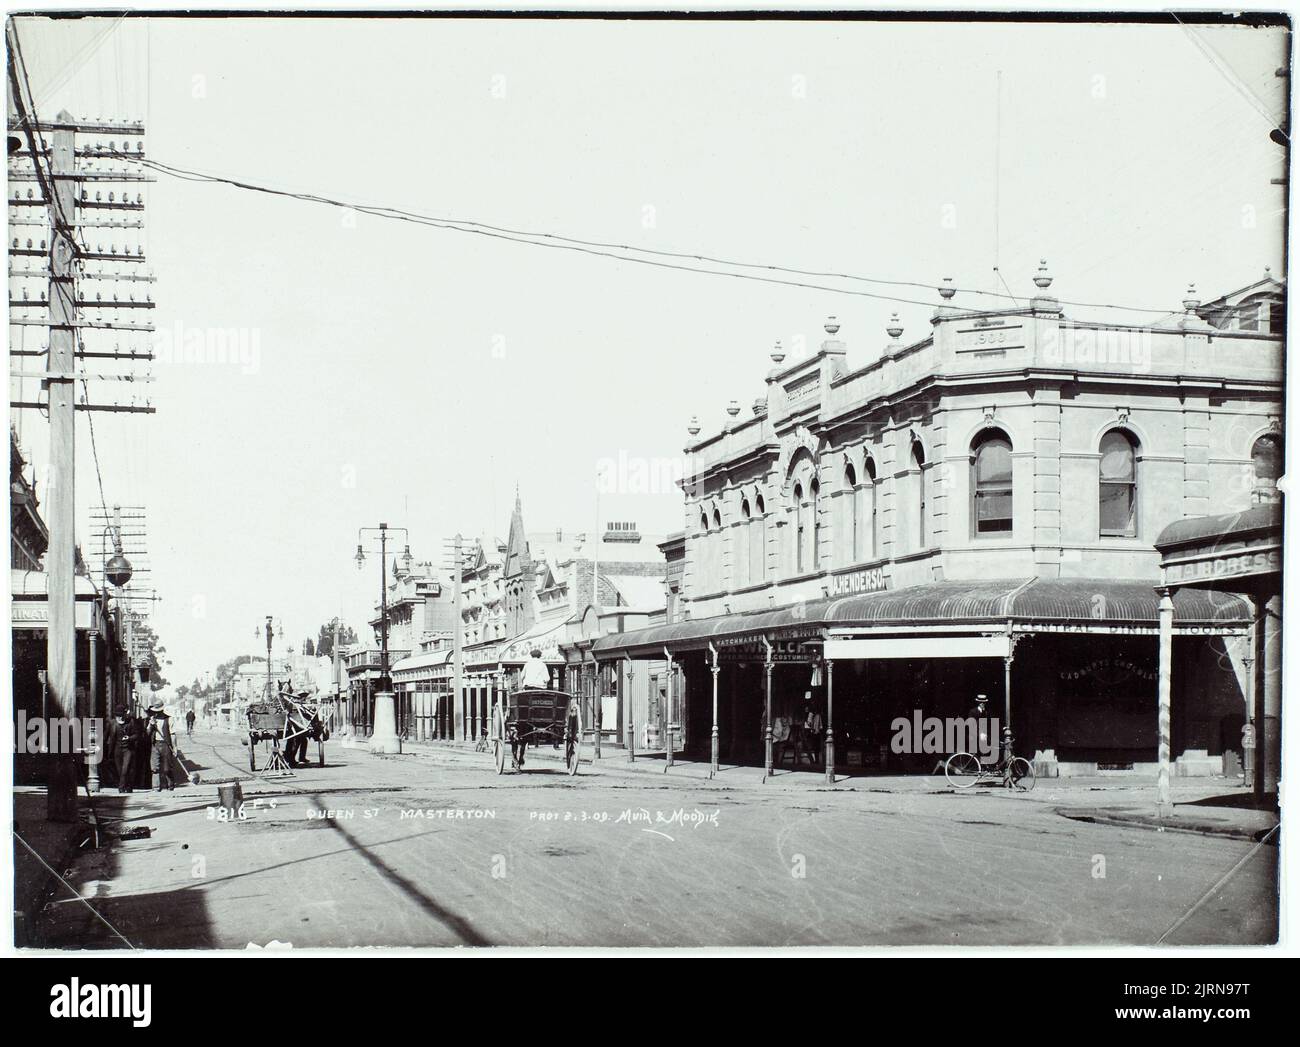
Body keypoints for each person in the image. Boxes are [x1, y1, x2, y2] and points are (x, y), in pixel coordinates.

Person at [146, 700, 175, 791]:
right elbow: (147, 733)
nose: (156, 713)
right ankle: (156, 787)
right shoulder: (152, 719)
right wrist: (151, 725)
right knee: (155, 768)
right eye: (155, 711)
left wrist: (175, 747)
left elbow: (173, 734)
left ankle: (170, 785)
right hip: (155, 745)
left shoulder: (169, 719)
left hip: (166, 745)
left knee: (167, 768)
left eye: (158, 711)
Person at [110, 707, 138, 793]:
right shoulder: (112, 723)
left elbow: (136, 734)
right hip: (117, 749)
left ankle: (121, 787)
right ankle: (128, 786)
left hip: (128, 749)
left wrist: (129, 738)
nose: (120, 718)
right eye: (118, 716)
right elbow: (106, 736)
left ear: (124, 715)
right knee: (119, 770)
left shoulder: (130, 722)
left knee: (125, 769)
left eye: (122, 715)